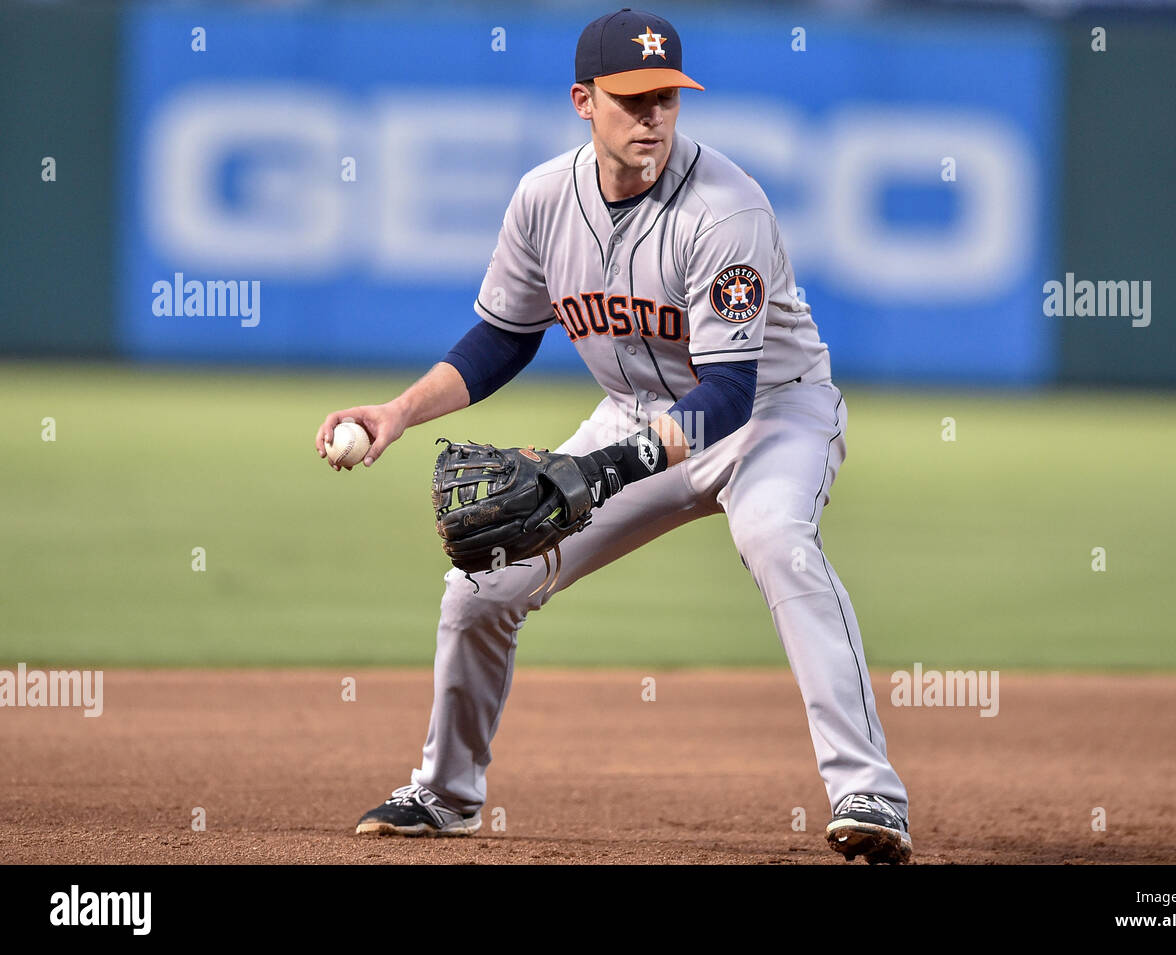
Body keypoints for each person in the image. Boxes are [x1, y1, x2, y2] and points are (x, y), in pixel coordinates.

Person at [316, 7, 912, 864]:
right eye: (631, 99)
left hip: (773, 415)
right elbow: (502, 339)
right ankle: (446, 794)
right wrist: (398, 412)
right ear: (582, 102)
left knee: (778, 538)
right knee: (480, 588)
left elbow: (730, 392)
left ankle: (869, 792)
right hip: (631, 415)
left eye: (665, 95)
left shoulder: (726, 208)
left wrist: (594, 470)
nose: (653, 116)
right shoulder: (543, 199)